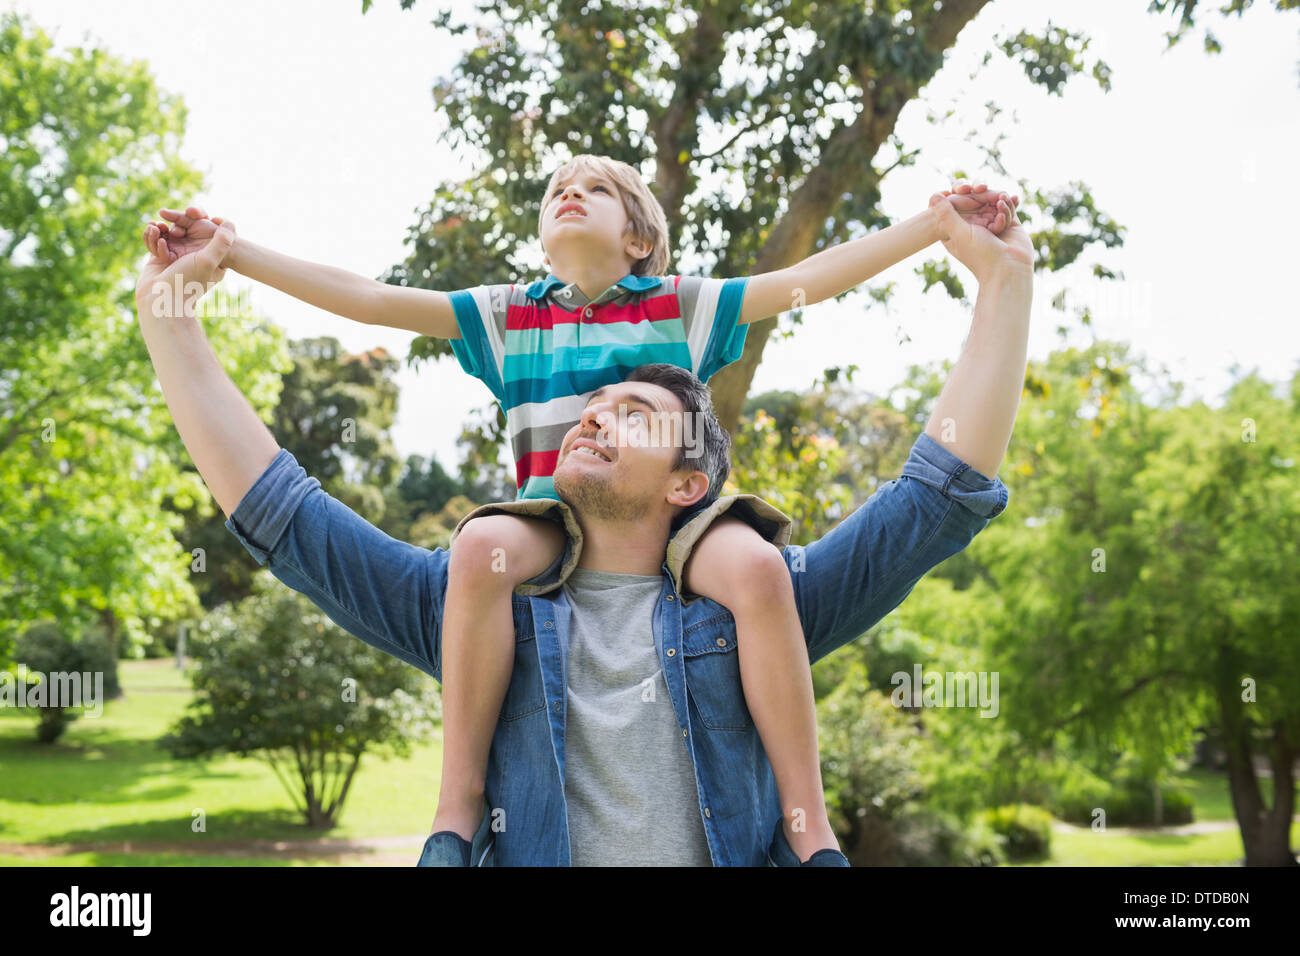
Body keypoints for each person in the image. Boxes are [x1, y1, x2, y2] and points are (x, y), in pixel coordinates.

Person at [142, 157, 1018, 864]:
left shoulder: (758, 616)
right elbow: (288, 507)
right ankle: (457, 808)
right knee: (487, 541)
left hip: (703, 554)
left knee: (752, 563)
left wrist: (961, 247)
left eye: (636, 412)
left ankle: (809, 825)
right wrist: (194, 290)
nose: (598, 408)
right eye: (559, 186)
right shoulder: (473, 606)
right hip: (523, 545)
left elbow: (931, 490)